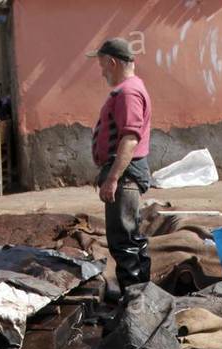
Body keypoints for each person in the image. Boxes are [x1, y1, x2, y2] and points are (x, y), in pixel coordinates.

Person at [87, 37, 152, 295]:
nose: (101, 71)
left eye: (102, 64)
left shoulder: (128, 92)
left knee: (124, 242)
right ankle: (138, 297)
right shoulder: (129, 89)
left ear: (112, 62)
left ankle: (135, 303)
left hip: (125, 175)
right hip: (124, 174)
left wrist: (113, 178)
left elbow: (130, 138)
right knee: (129, 239)